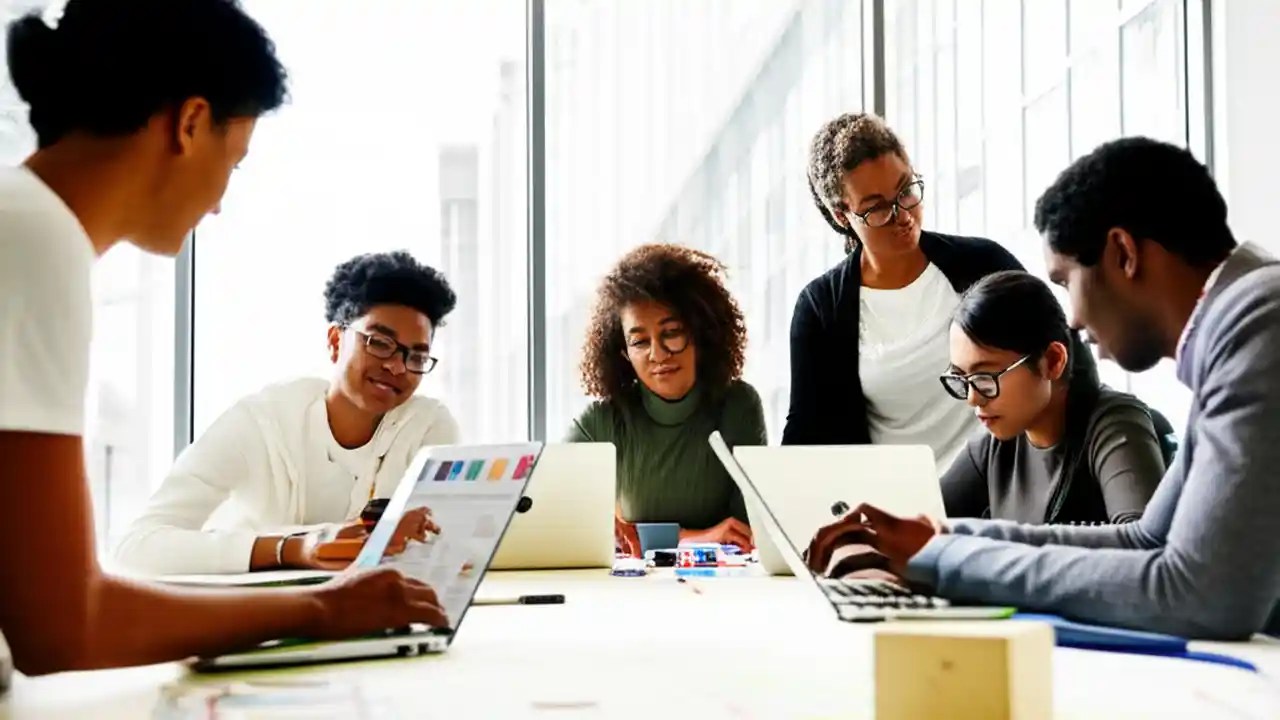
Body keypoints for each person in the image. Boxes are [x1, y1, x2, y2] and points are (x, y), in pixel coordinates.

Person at [0, 0, 446, 676]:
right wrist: (324, 607)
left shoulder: (21, 222)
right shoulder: (35, 244)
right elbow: (66, 625)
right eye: (234, 162)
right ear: (190, 123)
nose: (218, 202)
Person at [805, 137, 1280, 639]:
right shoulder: (1246, 324)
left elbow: (1200, 594)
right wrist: (943, 537)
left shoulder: (1259, 328)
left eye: (1065, 281)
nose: (1071, 318)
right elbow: (1146, 540)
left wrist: (944, 559)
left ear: (1123, 253)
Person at [114, 251, 460, 576]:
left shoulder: (428, 428)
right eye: (379, 343)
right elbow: (136, 547)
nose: (398, 367)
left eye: (415, 356)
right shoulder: (260, 422)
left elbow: (448, 549)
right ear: (335, 341)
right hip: (263, 615)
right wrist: (291, 549)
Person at [785, 112, 1025, 474]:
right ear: (841, 215)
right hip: (897, 509)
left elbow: (1058, 355)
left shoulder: (983, 264)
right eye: (877, 208)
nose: (903, 216)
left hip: (1002, 490)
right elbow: (805, 437)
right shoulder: (821, 309)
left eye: (906, 191)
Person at [568, 244, 767, 555]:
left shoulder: (738, 405)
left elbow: (742, 531)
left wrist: (644, 536)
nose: (658, 354)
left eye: (672, 332)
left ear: (700, 332)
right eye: (639, 341)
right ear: (623, 353)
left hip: (723, 587)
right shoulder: (601, 420)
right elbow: (561, 518)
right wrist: (694, 538)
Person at [939, 270, 1165, 525]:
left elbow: (1142, 542)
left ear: (1053, 361)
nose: (972, 399)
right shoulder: (992, 447)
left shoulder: (1115, 423)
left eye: (985, 377)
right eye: (960, 379)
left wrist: (1000, 543)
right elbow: (922, 525)